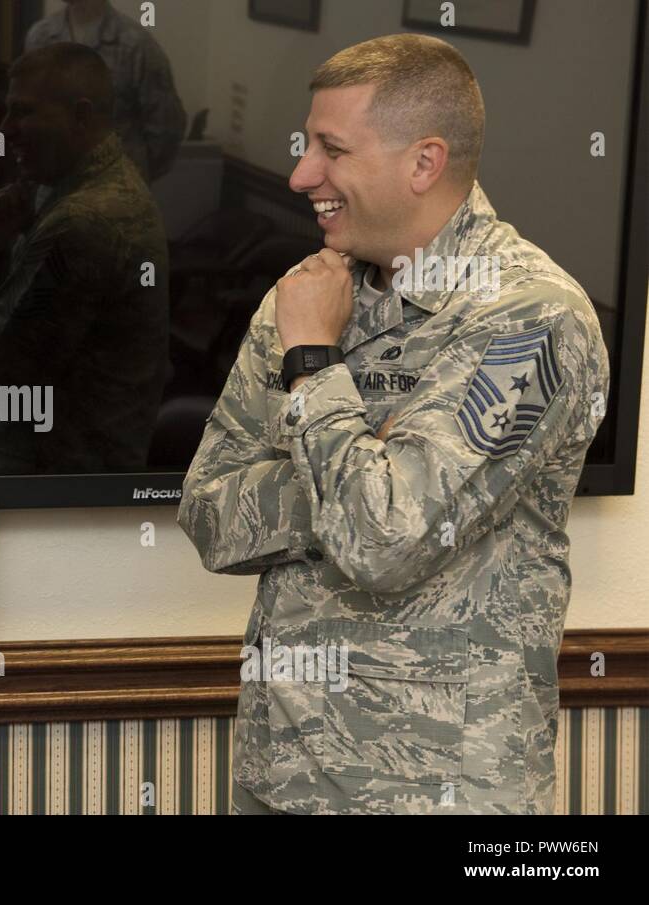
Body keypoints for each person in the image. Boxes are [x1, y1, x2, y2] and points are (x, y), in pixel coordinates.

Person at [178, 34, 610, 814]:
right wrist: (358, 476)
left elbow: (386, 540)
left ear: (424, 162)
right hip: (279, 773)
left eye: (332, 149)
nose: (301, 175)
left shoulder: (531, 316)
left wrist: (314, 367)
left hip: (437, 791)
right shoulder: (306, 292)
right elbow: (208, 513)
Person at [0, 42, 169, 473]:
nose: (6, 129)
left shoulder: (83, 220)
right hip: (70, 466)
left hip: (56, 479)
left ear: (80, 116)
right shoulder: (90, 186)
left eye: (23, 112)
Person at [25, 0, 186, 183]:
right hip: (55, 185)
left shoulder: (136, 44)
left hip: (118, 186)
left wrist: (134, 175)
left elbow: (166, 128)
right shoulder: (40, 37)